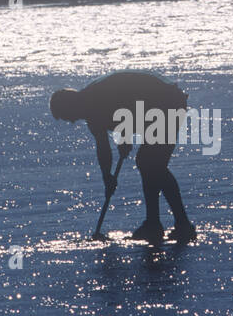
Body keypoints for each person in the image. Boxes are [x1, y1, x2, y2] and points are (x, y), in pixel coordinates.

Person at [50, 71, 197, 243]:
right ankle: (155, 224)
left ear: (71, 105)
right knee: (148, 163)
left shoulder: (96, 98)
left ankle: (178, 225)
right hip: (158, 105)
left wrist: (125, 135)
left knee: (151, 163)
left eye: (68, 116)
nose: (73, 121)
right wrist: (107, 176)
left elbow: (129, 105)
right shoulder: (91, 113)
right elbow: (103, 147)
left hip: (167, 102)